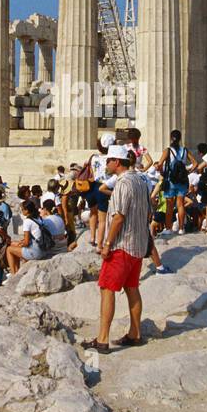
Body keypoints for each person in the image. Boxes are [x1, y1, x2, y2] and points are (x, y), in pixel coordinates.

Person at [81, 144, 151, 354]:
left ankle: (102, 340)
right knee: (132, 289)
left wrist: (107, 244)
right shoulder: (140, 180)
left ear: (117, 162)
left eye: (109, 160)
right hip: (138, 245)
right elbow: (149, 210)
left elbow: (118, 217)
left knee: (107, 289)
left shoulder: (122, 184)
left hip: (121, 246)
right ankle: (135, 334)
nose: (106, 164)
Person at [155, 130, 195, 234]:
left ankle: (168, 229)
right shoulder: (185, 150)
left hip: (170, 180)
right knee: (180, 204)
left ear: (170, 138)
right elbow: (195, 163)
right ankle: (181, 228)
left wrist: (160, 170)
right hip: (182, 181)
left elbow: (159, 164)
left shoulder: (168, 150)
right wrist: (187, 171)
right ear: (180, 138)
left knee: (169, 205)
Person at [6, 198, 53, 276]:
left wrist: (21, 244)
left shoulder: (27, 221)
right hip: (43, 248)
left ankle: (13, 274)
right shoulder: (38, 218)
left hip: (36, 252)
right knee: (14, 245)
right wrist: (21, 243)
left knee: (9, 249)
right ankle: (17, 271)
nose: (22, 211)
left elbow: (27, 242)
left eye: (22, 210)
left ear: (27, 210)